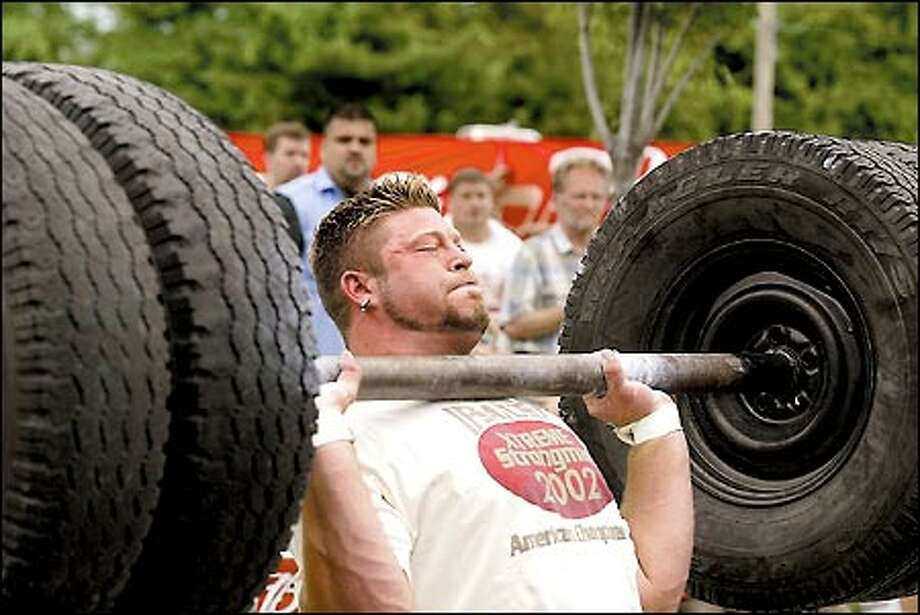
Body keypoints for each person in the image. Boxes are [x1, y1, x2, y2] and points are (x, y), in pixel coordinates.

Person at [295, 173, 692, 611]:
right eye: (429, 247)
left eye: (458, 244)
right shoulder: (354, 442)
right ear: (360, 287)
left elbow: (650, 591)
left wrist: (653, 423)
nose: (461, 259)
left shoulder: (527, 412)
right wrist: (325, 440)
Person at [276, 103, 378, 355]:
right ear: (323, 148)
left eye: (364, 141)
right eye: (344, 139)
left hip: (380, 374)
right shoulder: (288, 203)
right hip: (312, 370)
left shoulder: (395, 208)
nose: (355, 148)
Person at [500, 147, 613, 354]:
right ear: (556, 199)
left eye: (596, 197)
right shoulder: (532, 252)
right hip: (545, 378)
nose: (589, 204)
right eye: (580, 196)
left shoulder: (615, 255)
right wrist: (580, 306)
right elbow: (513, 325)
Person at [444, 167, 522, 354]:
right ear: (450, 202)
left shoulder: (512, 244)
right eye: (467, 196)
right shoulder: (436, 238)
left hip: (505, 340)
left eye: (481, 196)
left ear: (492, 202)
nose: (475, 203)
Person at [262, 121, 312, 256]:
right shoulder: (249, 196)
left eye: (304, 155)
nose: (298, 163)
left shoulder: (315, 206)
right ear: (268, 158)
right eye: (290, 154)